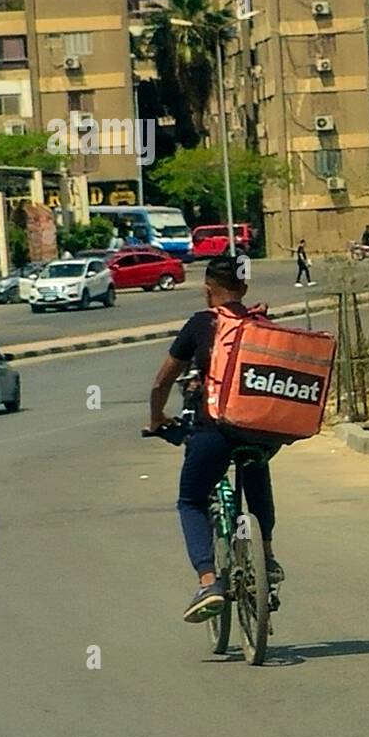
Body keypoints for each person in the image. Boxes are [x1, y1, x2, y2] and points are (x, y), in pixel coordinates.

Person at [144, 256, 285, 623]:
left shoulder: (201, 324)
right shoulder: (261, 322)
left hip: (215, 432)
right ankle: (266, 556)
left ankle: (208, 581)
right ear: (245, 288)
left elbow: (161, 382)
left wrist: (157, 418)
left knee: (190, 500)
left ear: (209, 290)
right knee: (256, 467)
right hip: (260, 431)